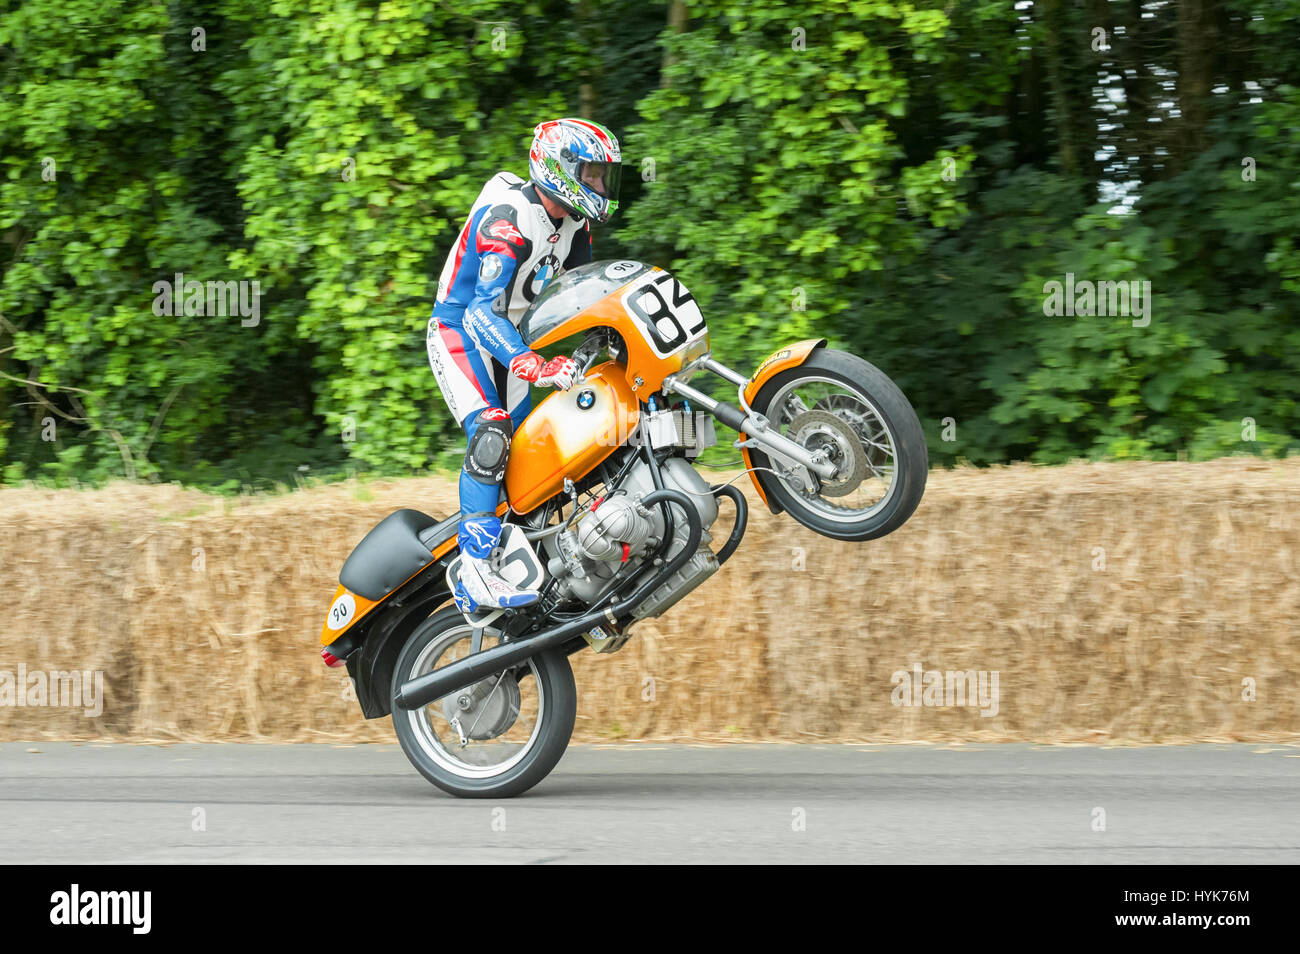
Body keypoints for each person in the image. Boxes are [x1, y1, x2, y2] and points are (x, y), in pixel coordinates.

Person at [426, 118, 622, 612]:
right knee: (491, 433)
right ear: (559, 170)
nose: (600, 186)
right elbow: (478, 311)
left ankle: (527, 554)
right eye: (592, 175)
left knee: (527, 452)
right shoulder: (507, 222)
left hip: (512, 335)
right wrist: (532, 366)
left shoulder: (575, 223)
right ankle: (472, 568)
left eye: (603, 177)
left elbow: (579, 294)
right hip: (462, 330)